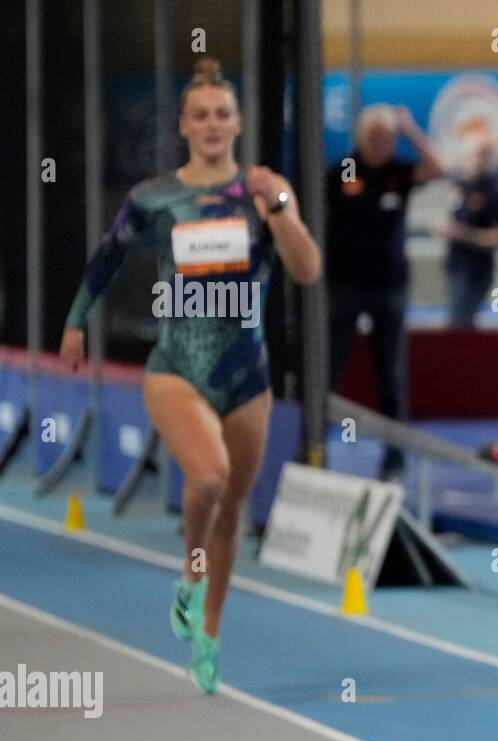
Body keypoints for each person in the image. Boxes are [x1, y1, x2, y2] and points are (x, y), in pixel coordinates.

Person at [59, 57, 321, 694]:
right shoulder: (155, 197)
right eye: (199, 115)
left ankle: (207, 633)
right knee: (209, 476)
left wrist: (278, 204)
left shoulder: (262, 191)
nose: (211, 125)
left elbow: (307, 270)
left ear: (236, 124)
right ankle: (189, 575)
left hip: (246, 372)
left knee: (231, 512)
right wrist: (74, 323)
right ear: (183, 125)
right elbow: (107, 257)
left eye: (222, 115)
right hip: (177, 366)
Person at [327, 104, 443, 479]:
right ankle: (314, 449)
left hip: (389, 289)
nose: (381, 144)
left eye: (388, 138)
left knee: (390, 375)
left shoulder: (400, 172)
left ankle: (393, 460)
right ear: (361, 138)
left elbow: (439, 169)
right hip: (343, 287)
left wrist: (410, 129)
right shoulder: (341, 172)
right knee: (329, 370)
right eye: (374, 137)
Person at [440, 137, 498, 330]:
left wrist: (466, 235)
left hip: (477, 271)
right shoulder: (460, 187)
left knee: (461, 321)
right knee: (456, 320)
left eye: (482, 155)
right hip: (455, 266)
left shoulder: (493, 192)